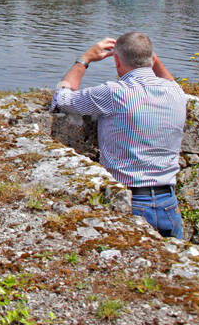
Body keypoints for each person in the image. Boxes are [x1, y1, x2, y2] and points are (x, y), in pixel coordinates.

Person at [50, 32, 185, 238]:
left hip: (129, 200)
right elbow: (168, 79)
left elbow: (62, 98)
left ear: (116, 61)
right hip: (168, 202)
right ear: (153, 59)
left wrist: (84, 59)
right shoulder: (175, 92)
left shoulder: (113, 93)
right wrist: (148, 56)